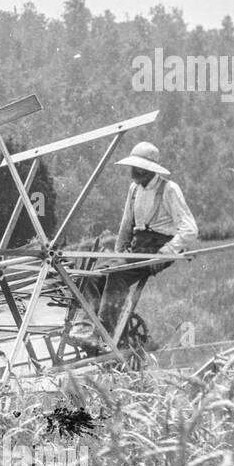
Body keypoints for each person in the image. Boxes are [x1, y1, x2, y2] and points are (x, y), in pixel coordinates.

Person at [67, 141, 198, 355]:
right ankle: (84, 330)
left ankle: (104, 335)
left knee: (116, 275)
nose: (133, 172)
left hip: (158, 249)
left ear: (149, 169)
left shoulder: (169, 189)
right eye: (132, 167)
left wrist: (168, 251)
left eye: (138, 168)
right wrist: (119, 253)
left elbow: (190, 229)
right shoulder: (134, 189)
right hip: (136, 247)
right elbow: (127, 224)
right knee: (92, 275)